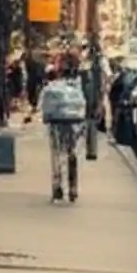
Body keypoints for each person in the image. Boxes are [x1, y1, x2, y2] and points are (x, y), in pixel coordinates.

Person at [39, 54, 87, 203]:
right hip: (74, 122)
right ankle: (73, 188)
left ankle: (57, 186)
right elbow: (82, 105)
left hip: (56, 122)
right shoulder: (77, 88)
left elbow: (43, 106)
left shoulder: (51, 88)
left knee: (57, 155)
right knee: (72, 154)